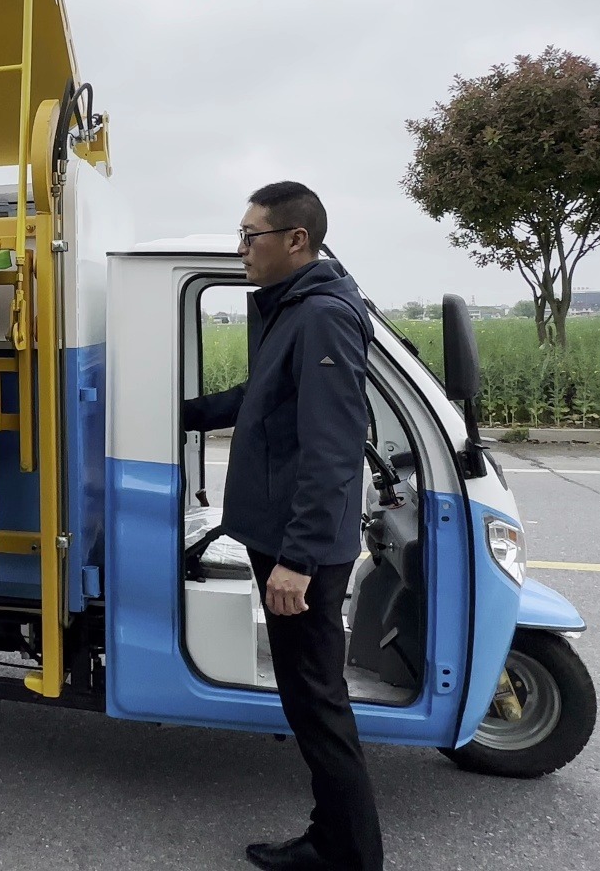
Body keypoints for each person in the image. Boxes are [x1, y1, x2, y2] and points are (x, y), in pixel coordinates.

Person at [181, 181, 384, 871]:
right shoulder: (291, 310)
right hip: (286, 540)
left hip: (304, 552)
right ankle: (334, 840)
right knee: (308, 700)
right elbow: (258, 397)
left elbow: (331, 447)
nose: (242, 249)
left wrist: (296, 559)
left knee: (318, 705)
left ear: (295, 240)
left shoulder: (321, 315)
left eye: (250, 236)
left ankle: (347, 854)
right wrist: (177, 411)